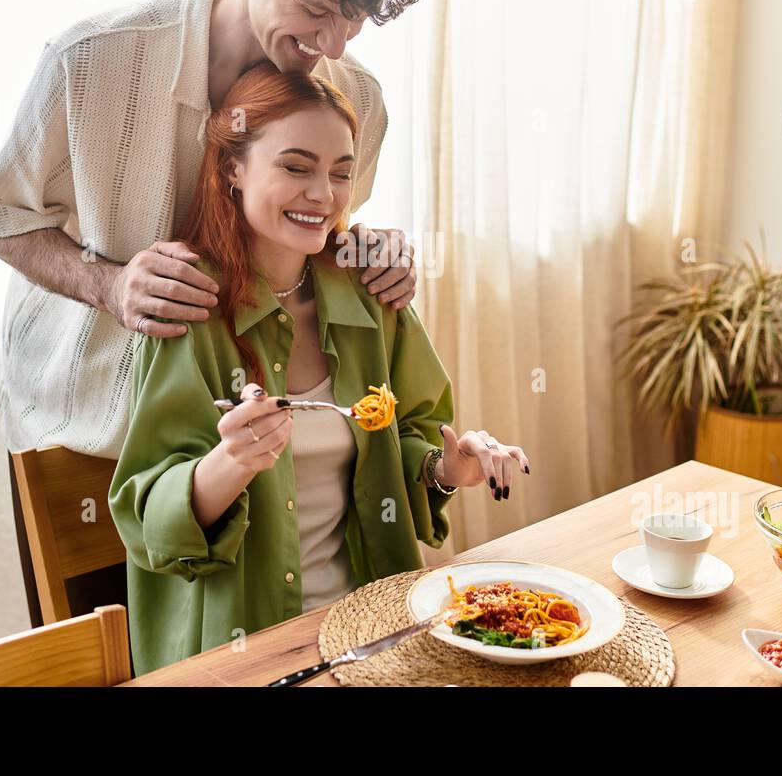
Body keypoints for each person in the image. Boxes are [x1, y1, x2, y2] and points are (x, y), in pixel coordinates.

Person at [0, 0, 432, 622]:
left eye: (353, 18)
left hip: (235, 455)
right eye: (317, 9)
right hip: (82, 439)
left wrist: (371, 247)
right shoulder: (93, 61)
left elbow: (309, 233)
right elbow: (3, 214)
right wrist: (109, 284)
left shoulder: (358, 93)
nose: (331, 45)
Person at [110, 64, 530, 672]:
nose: (323, 195)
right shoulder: (188, 307)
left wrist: (446, 468)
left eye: (340, 172)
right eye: (295, 166)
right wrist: (231, 462)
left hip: (375, 630)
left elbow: (403, 446)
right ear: (234, 168)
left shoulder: (369, 292)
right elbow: (147, 522)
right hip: (242, 648)